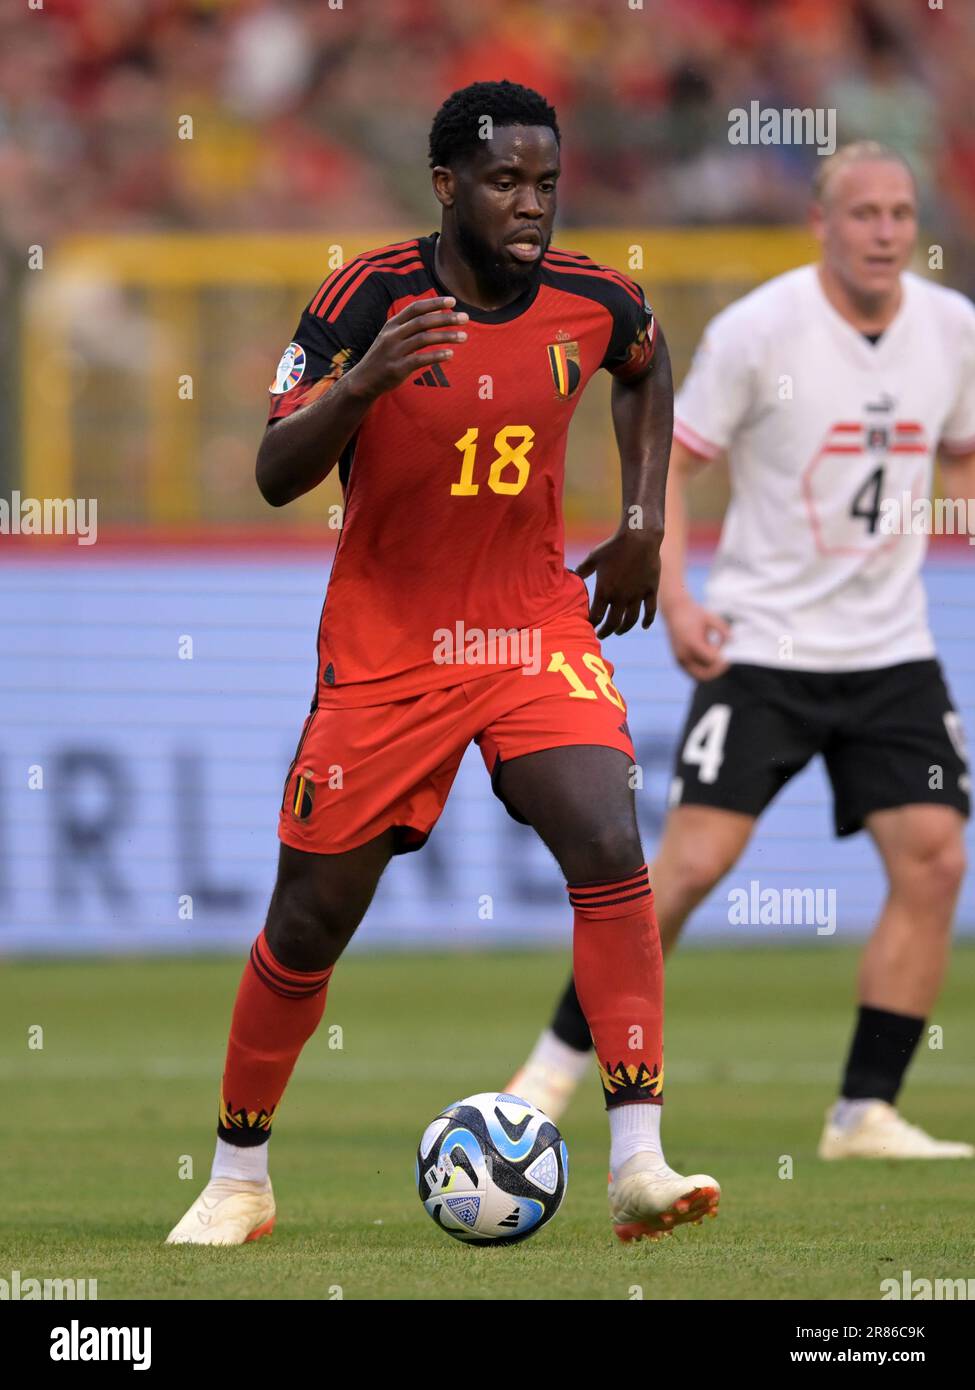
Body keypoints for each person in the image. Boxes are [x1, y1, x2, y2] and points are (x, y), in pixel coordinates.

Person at [166, 80, 719, 1246]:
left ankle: (637, 1159)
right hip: (387, 649)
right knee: (310, 919)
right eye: (508, 183)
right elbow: (274, 469)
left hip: (530, 627)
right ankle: (238, 1176)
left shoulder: (593, 299)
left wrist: (645, 524)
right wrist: (361, 381)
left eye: (548, 185)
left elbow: (647, 363)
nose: (532, 206)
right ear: (447, 186)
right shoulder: (365, 294)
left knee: (610, 837)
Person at [511, 142, 975, 1162]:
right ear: (821, 223)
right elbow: (669, 460)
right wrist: (676, 594)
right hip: (763, 641)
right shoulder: (759, 330)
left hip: (894, 647)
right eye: (865, 214)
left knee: (936, 855)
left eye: (902, 213)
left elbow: (963, 450)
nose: (888, 232)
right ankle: (551, 1065)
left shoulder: (952, 330)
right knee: (688, 868)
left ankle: (864, 1110)